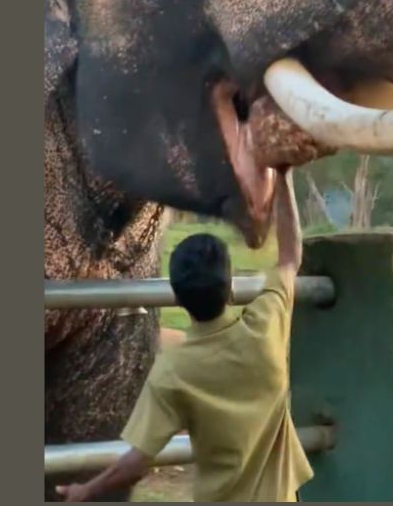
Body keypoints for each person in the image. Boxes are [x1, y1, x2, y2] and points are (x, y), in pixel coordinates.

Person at [56, 169, 313, 502]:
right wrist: (282, 175)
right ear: (230, 285)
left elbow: (135, 464)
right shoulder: (265, 328)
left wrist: (85, 490)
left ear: (177, 297)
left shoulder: (173, 372)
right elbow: (291, 257)